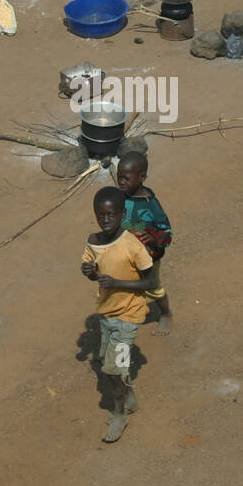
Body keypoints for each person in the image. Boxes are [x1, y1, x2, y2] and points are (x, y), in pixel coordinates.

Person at [80, 186, 159, 443]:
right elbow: (92, 271)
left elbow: (151, 283)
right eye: (100, 215)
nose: (105, 220)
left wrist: (116, 283)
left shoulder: (132, 245)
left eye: (111, 215)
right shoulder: (94, 241)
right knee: (109, 361)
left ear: (122, 214)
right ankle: (130, 399)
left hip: (128, 317)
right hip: (106, 314)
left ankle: (119, 413)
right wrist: (88, 271)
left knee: (113, 369)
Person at [117, 152, 174, 335]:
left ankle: (165, 313)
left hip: (148, 256)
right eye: (119, 177)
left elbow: (167, 231)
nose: (121, 182)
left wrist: (154, 238)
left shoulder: (151, 204)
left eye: (126, 178)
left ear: (142, 177)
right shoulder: (121, 196)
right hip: (126, 255)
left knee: (153, 288)